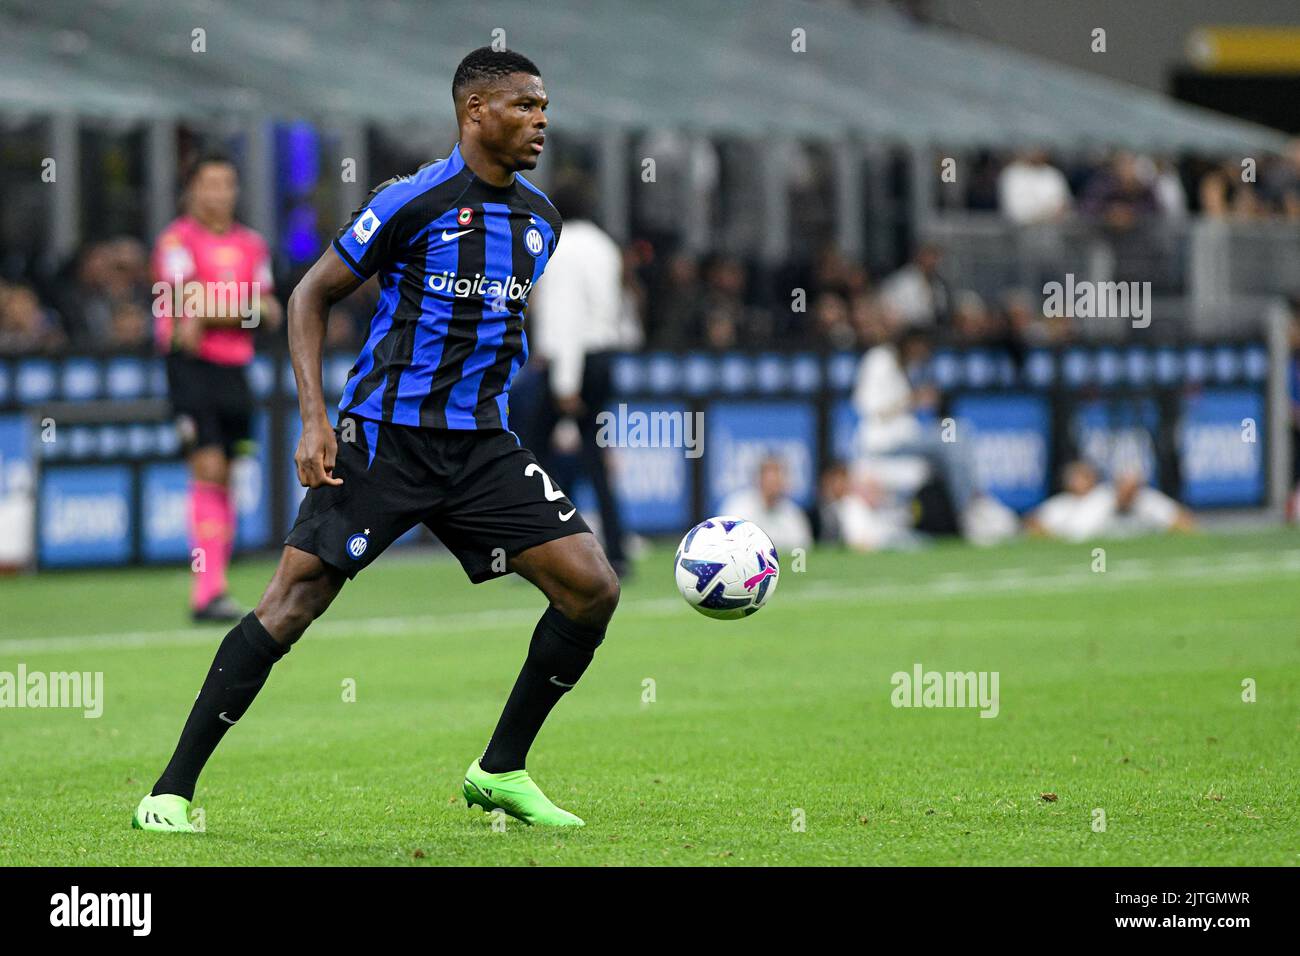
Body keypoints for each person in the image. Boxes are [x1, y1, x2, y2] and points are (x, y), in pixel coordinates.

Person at [133, 48, 619, 835]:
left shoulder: (542, 222)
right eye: (525, 106)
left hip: (481, 447)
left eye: (545, 107)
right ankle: (169, 791)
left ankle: (500, 769)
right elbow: (309, 295)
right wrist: (317, 418)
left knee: (591, 585)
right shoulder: (412, 202)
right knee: (292, 603)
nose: (541, 121)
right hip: (385, 440)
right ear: (474, 113)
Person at [152, 152, 281, 622]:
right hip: (191, 368)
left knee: (226, 474)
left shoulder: (252, 244)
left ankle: (216, 588)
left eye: (227, 183)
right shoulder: (176, 241)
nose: (219, 193)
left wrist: (213, 310)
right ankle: (206, 591)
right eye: (209, 184)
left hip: (234, 372)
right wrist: (240, 308)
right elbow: (187, 309)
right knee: (206, 467)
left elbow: (271, 313)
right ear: (192, 191)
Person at [518, 175, 635, 575]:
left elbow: (566, 316)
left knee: (530, 455)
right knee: (596, 458)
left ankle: (544, 548)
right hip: (603, 357)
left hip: (572, 362)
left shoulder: (561, 249)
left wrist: (565, 382)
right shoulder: (605, 246)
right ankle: (616, 551)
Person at [1025, 460, 1194, 542]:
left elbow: (1182, 520)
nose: (1127, 493)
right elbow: (1075, 532)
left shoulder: (1147, 501)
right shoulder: (1100, 501)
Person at [719, 456, 812, 555]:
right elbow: (727, 548)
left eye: (778, 478)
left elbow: (803, 550)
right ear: (758, 479)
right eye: (770, 478)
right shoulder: (738, 507)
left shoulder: (793, 513)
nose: (774, 484)